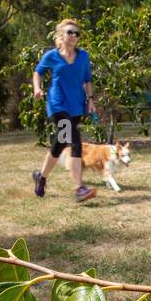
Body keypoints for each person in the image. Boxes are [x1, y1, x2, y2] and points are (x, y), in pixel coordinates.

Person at [32, 18, 97, 201]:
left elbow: (87, 80)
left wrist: (90, 100)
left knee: (60, 144)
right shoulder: (51, 56)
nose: (74, 36)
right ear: (61, 35)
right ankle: (79, 188)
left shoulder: (83, 56)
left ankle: (41, 177)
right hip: (57, 105)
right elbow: (38, 72)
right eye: (70, 32)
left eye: (77, 33)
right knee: (74, 140)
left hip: (76, 105)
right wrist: (37, 88)